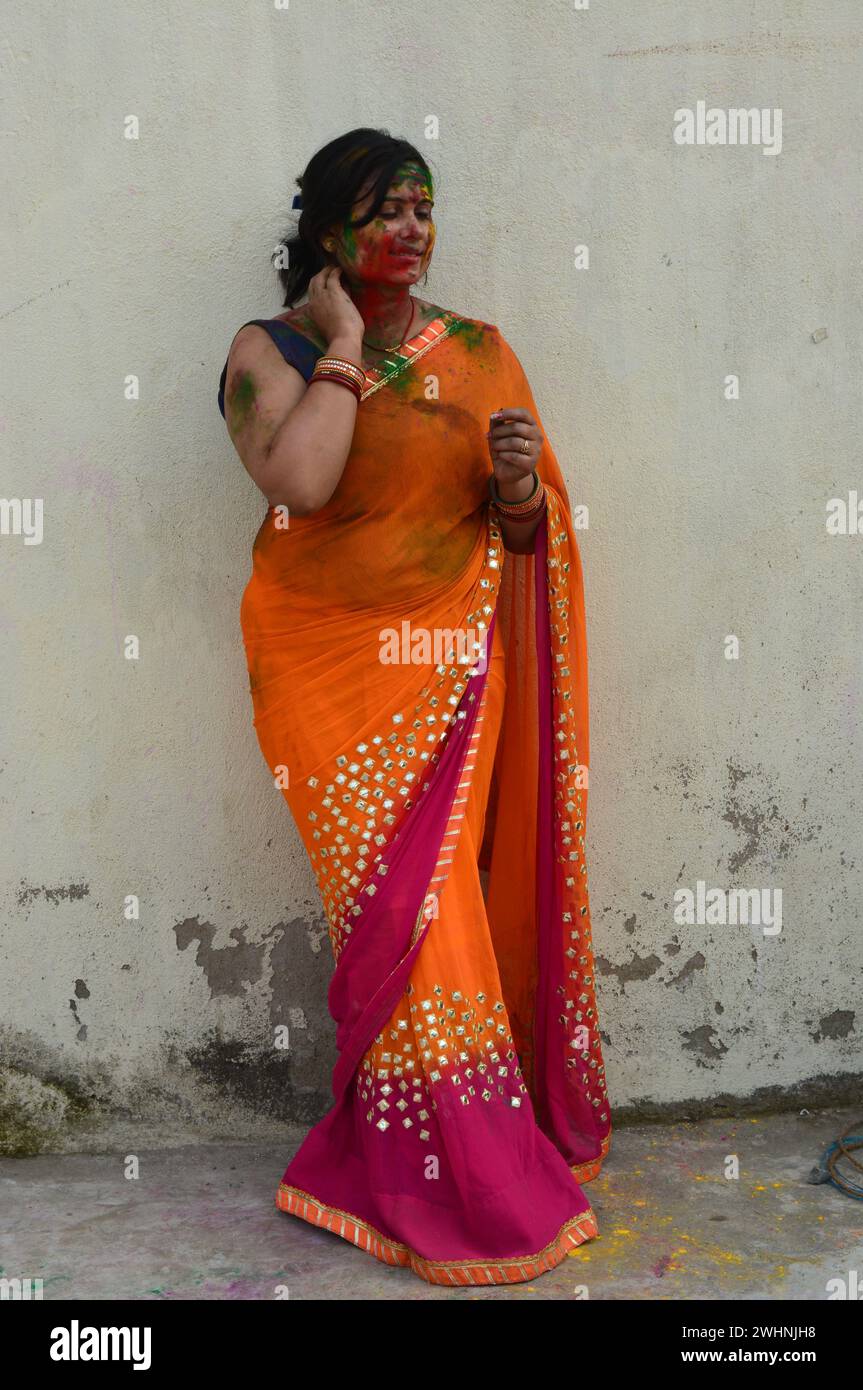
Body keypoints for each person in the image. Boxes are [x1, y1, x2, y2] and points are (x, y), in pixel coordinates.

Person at [217, 127, 611, 1286]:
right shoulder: (270, 347)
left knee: (439, 918)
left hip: (448, 673)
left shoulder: (481, 353)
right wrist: (340, 344)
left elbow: (526, 537)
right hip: (319, 680)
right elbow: (299, 479)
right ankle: (441, 1173)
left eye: (423, 207)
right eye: (386, 206)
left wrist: (517, 487)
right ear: (328, 225)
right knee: (398, 923)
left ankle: (435, 1166)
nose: (413, 227)